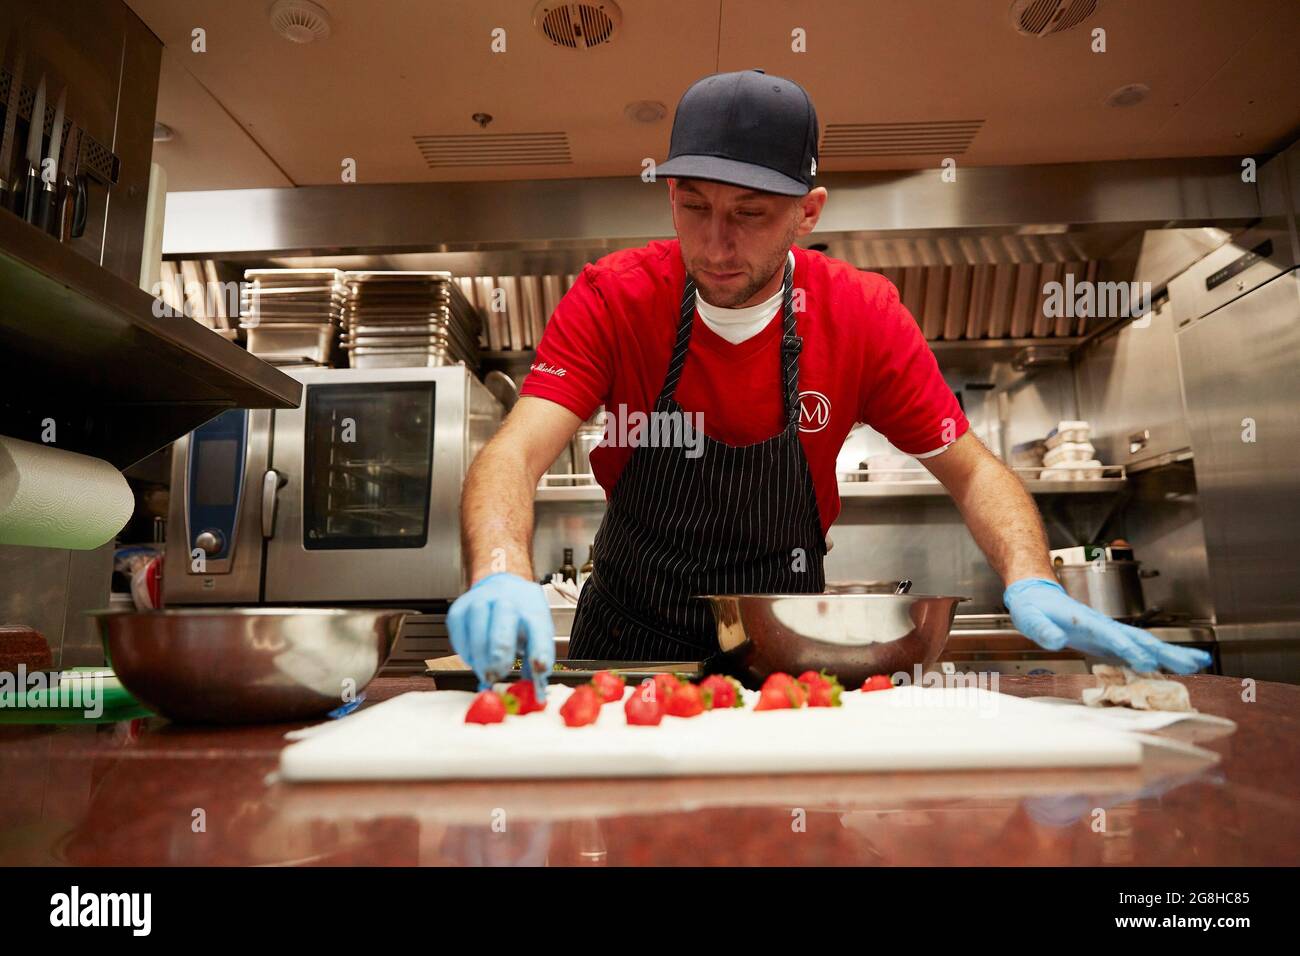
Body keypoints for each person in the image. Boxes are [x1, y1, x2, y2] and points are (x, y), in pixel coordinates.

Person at [448, 69, 1211, 694]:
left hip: (782, 642)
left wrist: (1034, 577)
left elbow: (973, 470)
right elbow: (512, 455)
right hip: (627, 642)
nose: (716, 243)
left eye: (750, 213)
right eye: (694, 206)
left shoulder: (860, 313)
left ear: (807, 212)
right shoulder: (616, 296)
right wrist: (501, 567)